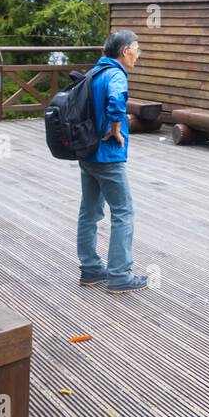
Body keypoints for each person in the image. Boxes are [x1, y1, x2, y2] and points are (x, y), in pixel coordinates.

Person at [76, 30, 150, 294]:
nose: (139, 54)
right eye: (137, 48)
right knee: (123, 211)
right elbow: (117, 101)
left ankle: (91, 269)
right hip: (107, 155)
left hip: (87, 152)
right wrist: (116, 128)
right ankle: (120, 275)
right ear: (125, 50)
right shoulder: (116, 74)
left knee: (90, 212)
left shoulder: (93, 73)